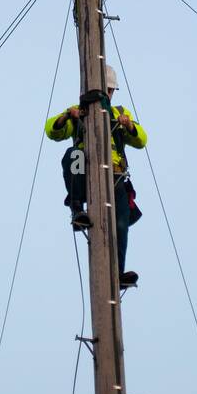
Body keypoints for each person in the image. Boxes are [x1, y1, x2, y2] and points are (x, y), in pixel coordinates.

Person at [45, 65, 147, 286]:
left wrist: (129, 126)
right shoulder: (79, 110)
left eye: (111, 90)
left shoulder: (121, 113)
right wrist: (67, 116)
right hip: (88, 172)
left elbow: (142, 140)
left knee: (120, 224)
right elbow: (52, 130)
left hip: (116, 177)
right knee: (74, 155)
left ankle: (118, 273)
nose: (108, 94)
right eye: (106, 90)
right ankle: (77, 209)